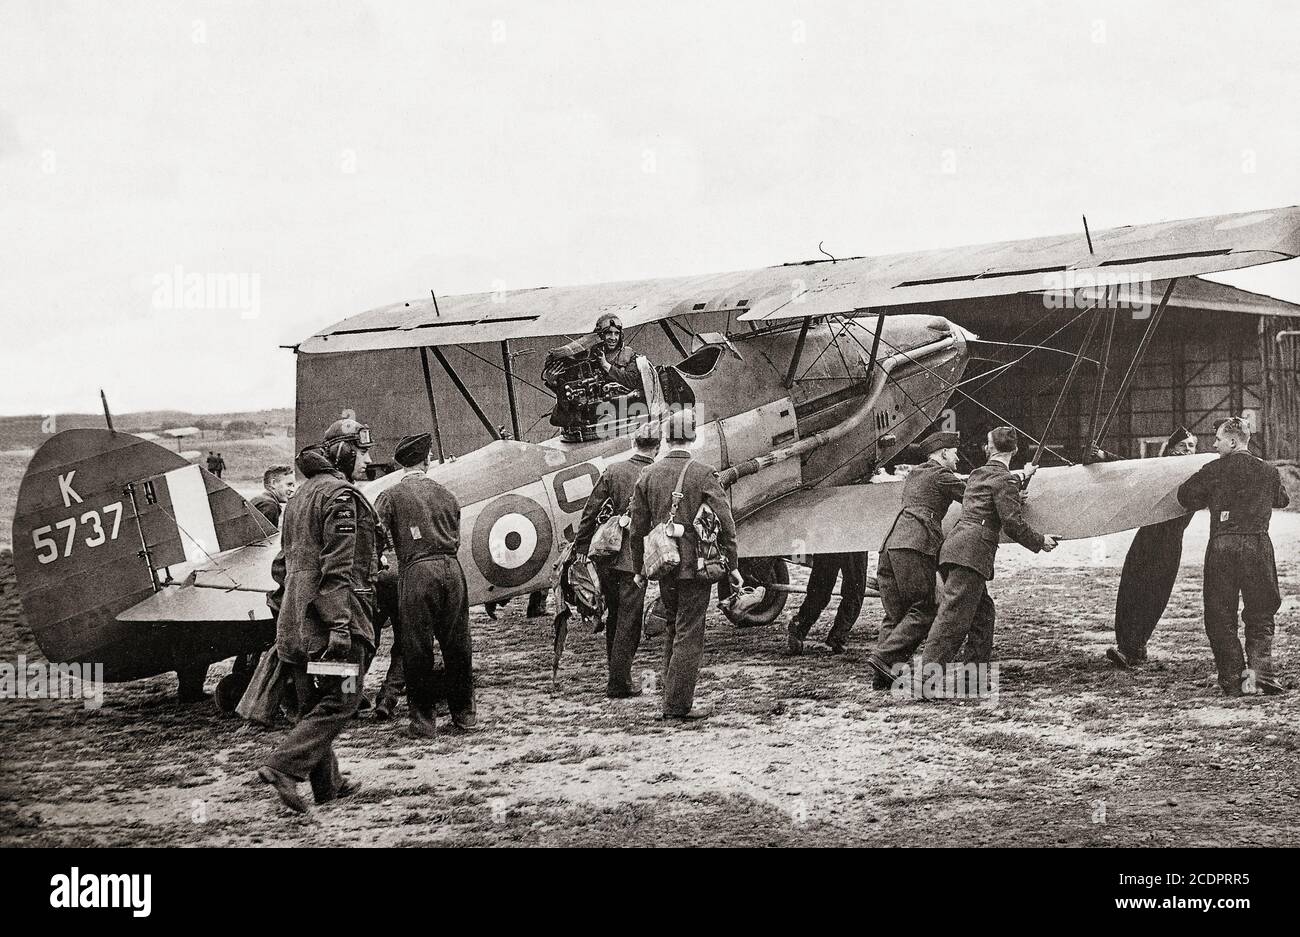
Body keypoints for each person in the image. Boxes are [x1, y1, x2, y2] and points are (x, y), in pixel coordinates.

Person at [256, 418, 381, 814]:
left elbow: (281, 565)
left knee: (313, 704)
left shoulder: (298, 498)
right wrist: (340, 626)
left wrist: (294, 600)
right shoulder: (341, 497)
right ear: (344, 454)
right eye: (362, 453)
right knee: (344, 698)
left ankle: (329, 786)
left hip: (295, 621)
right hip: (330, 626)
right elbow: (338, 568)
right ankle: (283, 767)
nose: (369, 459)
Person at [920, 427, 1057, 688]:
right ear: (1014, 451)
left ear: (988, 449)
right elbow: (1012, 524)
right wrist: (1041, 541)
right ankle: (925, 682)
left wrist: (1019, 478)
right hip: (972, 554)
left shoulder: (977, 474)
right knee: (952, 619)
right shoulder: (1004, 480)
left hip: (955, 549)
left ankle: (975, 680)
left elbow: (996, 482)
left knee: (983, 615)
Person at [631, 408, 741, 720]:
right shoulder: (703, 473)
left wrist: (640, 569)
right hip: (696, 565)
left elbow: (637, 529)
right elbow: (726, 522)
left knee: (672, 627)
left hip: (664, 564)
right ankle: (676, 707)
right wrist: (732, 565)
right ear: (692, 436)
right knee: (689, 632)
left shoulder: (647, 475)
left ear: (666, 438)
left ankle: (670, 699)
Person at [1176, 416, 1289, 696]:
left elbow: (1185, 496)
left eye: (1217, 439)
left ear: (1233, 441)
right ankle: (1262, 675)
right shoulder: (1268, 470)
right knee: (1261, 612)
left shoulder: (1213, 469)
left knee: (1220, 614)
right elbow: (1282, 500)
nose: (1214, 444)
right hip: (1258, 545)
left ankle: (1232, 679)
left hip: (1223, 546)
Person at [374, 432, 476, 735]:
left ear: (399, 464)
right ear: (427, 459)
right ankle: (465, 716)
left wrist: (379, 559)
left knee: (417, 647)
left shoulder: (390, 495)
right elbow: (455, 529)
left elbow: (376, 533)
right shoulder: (446, 493)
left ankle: (423, 722)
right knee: (458, 644)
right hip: (452, 568)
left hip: (417, 571)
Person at [1090, 427, 1199, 668]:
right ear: (1171, 449)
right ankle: (1128, 646)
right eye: (1183, 446)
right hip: (1147, 537)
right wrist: (1103, 457)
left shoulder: (1198, 473)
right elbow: (1131, 467)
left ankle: (1135, 646)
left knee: (1154, 595)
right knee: (1131, 588)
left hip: (1170, 542)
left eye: (1192, 447)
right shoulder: (1159, 469)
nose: (1188, 451)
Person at [866, 431, 966, 687]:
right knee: (925, 608)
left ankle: (882, 679)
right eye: (954, 452)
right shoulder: (942, 475)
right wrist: (1014, 480)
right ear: (943, 453)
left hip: (890, 545)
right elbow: (974, 496)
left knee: (895, 613)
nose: (958, 457)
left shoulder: (916, 473)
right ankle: (884, 658)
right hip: (915, 545)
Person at [573, 422, 659, 697]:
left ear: (634, 443)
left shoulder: (613, 470)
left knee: (614, 617)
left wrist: (582, 546)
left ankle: (615, 675)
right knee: (629, 622)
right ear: (657, 447)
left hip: (607, 558)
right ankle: (619, 684)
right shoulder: (654, 473)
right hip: (636, 559)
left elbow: (590, 510)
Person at [543, 314, 645, 433]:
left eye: (616, 333)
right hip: (592, 420)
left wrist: (606, 365)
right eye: (608, 333)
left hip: (621, 417)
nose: (613, 338)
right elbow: (570, 391)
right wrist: (553, 382)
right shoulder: (587, 356)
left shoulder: (628, 354)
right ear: (600, 335)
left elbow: (632, 380)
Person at [786, 552, 869, 656]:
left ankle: (835, 636)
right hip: (841, 542)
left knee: (825, 589)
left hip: (842, 543)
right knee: (825, 590)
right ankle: (837, 637)